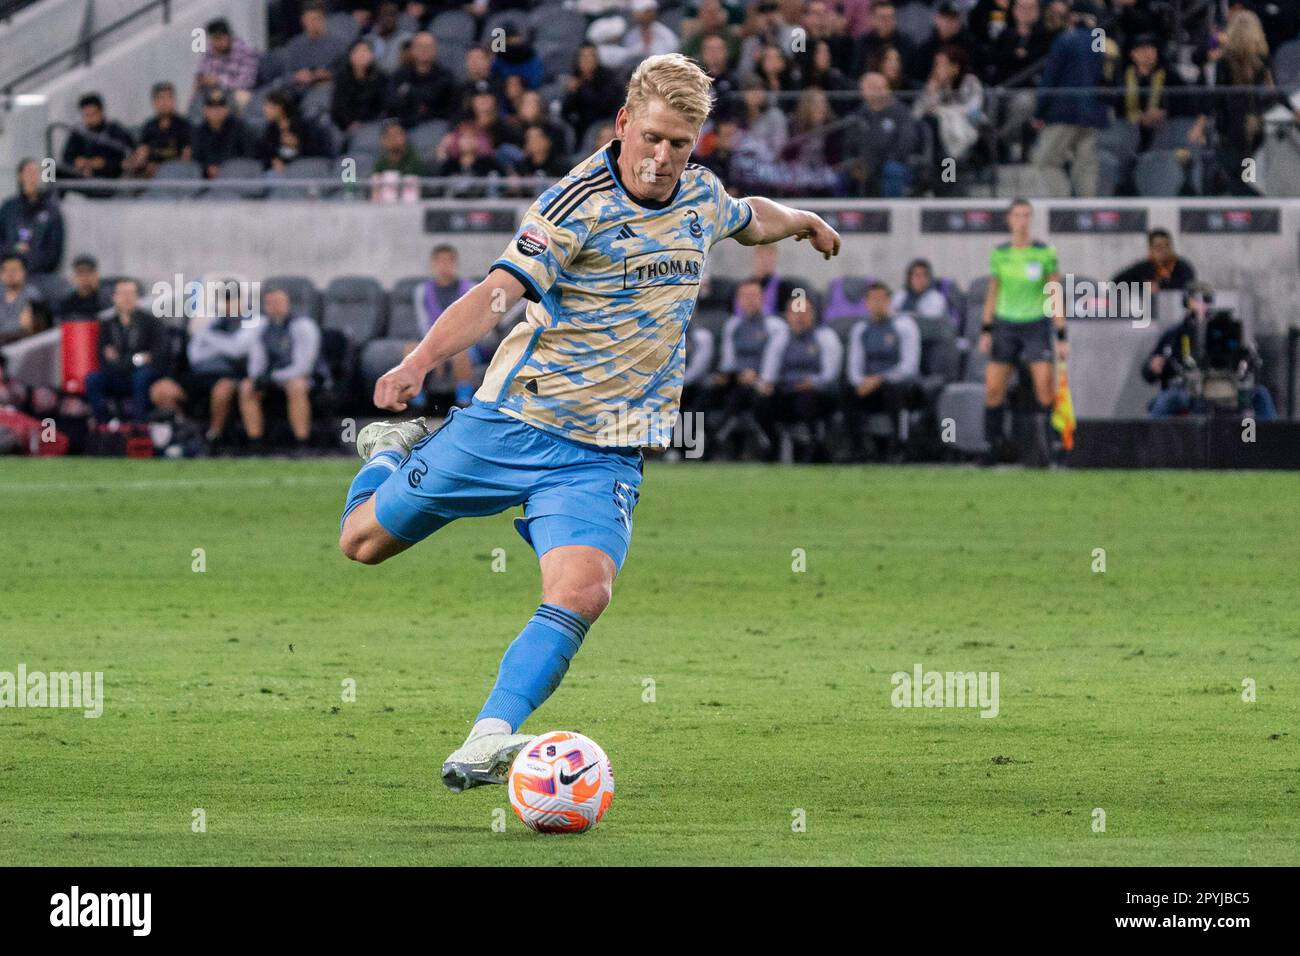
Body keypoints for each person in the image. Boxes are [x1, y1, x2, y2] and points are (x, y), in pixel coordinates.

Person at [337, 53, 841, 792]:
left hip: (605, 449)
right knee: (363, 544)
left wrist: (804, 221)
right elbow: (498, 293)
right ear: (623, 125)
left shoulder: (699, 195)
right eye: (654, 139)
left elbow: (745, 216)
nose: (664, 158)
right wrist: (420, 362)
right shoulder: (575, 203)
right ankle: (387, 451)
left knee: (583, 591)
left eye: (681, 144)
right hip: (513, 420)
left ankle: (488, 737)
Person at [980, 199, 1067, 465]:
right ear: (1009, 219)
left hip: (1036, 324)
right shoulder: (1000, 253)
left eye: (1027, 215)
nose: (1022, 220)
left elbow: (1054, 291)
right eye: (1017, 215)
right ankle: (993, 448)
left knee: (1044, 388)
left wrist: (1061, 333)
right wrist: (986, 329)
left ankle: (1054, 448)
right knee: (994, 389)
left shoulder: (1044, 252)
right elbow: (994, 291)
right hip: (1006, 325)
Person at [1142, 281, 1276, 420]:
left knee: (1260, 394)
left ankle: (1271, 439)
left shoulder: (1227, 328)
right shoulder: (1177, 334)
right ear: (1187, 302)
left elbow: (1248, 360)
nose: (1202, 305)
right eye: (1197, 300)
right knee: (1166, 401)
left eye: (1206, 300)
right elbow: (1151, 371)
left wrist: (1243, 359)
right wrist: (1155, 367)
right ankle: (1150, 440)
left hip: (1227, 382)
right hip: (1190, 387)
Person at [1032, 0, 1108, 197]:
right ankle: (1087, 210)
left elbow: (1050, 79)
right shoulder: (1100, 41)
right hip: (1094, 112)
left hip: (1064, 110)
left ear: (1073, 16)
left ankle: (1062, 207)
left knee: (1045, 161)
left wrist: (1039, 111)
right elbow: (1107, 78)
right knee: (1086, 165)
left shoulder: (1066, 39)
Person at [709, 276, 788, 458]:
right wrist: (730, 375)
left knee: (756, 398)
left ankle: (768, 448)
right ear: (738, 300)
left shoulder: (775, 326)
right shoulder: (733, 325)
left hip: (766, 384)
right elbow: (728, 360)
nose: (749, 300)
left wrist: (760, 379)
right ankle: (697, 447)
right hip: (738, 380)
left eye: (753, 295)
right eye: (745, 296)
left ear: (762, 298)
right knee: (707, 393)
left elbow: (773, 359)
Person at [238, 287, 321, 454]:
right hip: (273, 377)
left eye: (278, 302)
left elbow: (304, 366)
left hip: (304, 377)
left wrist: (274, 377)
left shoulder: (302, 326)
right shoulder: (261, 327)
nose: (274, 306)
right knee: (247, 386)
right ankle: (256, 443)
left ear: (287, 303)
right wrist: (258, 378)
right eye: (270, 303)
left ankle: (301, 442)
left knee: (296, 386)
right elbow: (257, 360)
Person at [846, 281, 922, 460]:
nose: (877, 303)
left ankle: (898, 448)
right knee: (847, 392)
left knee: (894, 390)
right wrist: (860, 383)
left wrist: (879, 379)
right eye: (873, 299)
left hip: (899, 385)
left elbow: (909, 366)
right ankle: (858, 449)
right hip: (869, 387)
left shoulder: (905, 326)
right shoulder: (861, 329)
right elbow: (854, 367)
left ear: (890, 301)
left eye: (881, 299)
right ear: (866, 303)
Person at [84, 279, 178, 422]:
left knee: (140, 376)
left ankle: (140, 424)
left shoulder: (150, 322)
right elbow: (103, 355)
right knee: (93, 379)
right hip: (118, 373)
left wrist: (125, 359)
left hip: (143, 374)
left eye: (131, 293)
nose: (127, 298)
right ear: (114, 297)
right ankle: (105, 423)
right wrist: (135, 359)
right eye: (123, 293)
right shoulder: (107, 325)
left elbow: (158, 352)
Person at [767, 293, 843, 462]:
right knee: (762, 400)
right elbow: (769, 372)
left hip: (817, 391)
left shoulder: (825, 336)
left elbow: (830, 373)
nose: (799, 317)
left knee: (807, 400)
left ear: (813, 314)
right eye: (795, 312)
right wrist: (766, 384)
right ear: (787, 315)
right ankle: (772, 446)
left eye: (804, 312)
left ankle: (813, 447)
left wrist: (813, 382)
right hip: (787, 389)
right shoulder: (780, 339)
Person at [185, 287, 257, 449]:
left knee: (222, 389)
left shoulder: (253, 321)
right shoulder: (212, 322)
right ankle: (185, 434)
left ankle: (213, 437)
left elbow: (237, 349)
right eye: (226, 300)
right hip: (201, 373)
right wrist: (224, 343)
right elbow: (195, 355)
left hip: (233, 374)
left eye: (234, 299)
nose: (230, 304)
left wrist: (210, 340)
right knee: (167, 391)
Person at [407, 244, 478, 407]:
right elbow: (423, 325)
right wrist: (434, 349)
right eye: (440, 261)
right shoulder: (422, 290)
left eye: (449, 261)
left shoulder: (472, 289)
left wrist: (442, 350)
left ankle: (464, 402)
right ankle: (417, 403)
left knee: (459, 353)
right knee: (409, 349)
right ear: (433, 264)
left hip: (464, 344)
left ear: (455, 263)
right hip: (433, 341)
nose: (444, 266)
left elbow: (473, 326)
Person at [0, 158, 64, 277]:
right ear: (20, 176)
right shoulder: (8, 208)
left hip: (40, 275)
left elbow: (54, 251)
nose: (32, 177)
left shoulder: (51, 210)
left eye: (36, 172)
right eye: (28, 172)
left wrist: (31, 263)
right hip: (9, 273)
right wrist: (13, 254)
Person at [385, 31, 459, 127]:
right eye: (420, 46)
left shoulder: (446, 76)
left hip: (435, 128)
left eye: (428, 46)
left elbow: (445, 106)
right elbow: (391, 102)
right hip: (402, 126)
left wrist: (408, 93)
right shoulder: (399, 75)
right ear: (412, 49)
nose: (424, 50)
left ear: (435, 50)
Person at [124, 82, 192, 178]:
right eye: (160, 98)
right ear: (154, 102)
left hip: (175, 177)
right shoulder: (149, 126)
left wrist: (162, 169)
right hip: (151, 177)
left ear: (174, 100)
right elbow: (142, 153)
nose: (165, 102)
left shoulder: (184, 126)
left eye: (169, 97)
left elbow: (186, 159)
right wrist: (136, 163)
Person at [61, 93, 135, 182]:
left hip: (108, 180)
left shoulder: (114, 131)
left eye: (93, 114)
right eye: (86, 115)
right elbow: (67, 157)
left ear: (101, 112)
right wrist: (77, 162)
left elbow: (127, 155)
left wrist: (104, 163)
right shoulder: (79, 133)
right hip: (83, 177)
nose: (90, 118)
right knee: (50, 170)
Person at [195, 18, 260, 110]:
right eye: (213, 39)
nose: (216, 43)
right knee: (199, 94)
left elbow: (247, 82)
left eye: (219, 38)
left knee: (241, 97)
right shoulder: (211, 50)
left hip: (238, 93)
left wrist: (219, 80)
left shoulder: (245, 52)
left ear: (228, 36)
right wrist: (202, 79)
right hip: (215, 91)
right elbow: (203, 70)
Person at [1111, 228, 1196, 295]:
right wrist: (1144, 287)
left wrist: (1160, 286)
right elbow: (1116, 283)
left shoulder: (1182, 266)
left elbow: (1188, 285)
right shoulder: (1142, 267)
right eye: (1159, 247)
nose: (1164, 250)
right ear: (1150, 250)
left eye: (1167, 246)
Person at [192, 87, 254, 178]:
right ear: (205, 110)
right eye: (211, 107)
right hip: (206, 179)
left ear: (227, 109)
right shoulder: (199, 131)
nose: (216, 111)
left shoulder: (240, 128)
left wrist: (225, 169)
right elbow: (196, 157)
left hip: (235, 178)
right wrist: (207, 168)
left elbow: (248, 155)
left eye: (220, 107)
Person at [332, 38, 388, 135]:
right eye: (358, 51)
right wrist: (349, 123)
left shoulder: (381, 78)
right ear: (350, 55)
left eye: (366, 51)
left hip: (373, 124)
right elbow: (338, 106)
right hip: (345, 126)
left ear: (372, 55)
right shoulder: (342, 78)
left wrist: (365, 123)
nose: (362, 54)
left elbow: (383, 105)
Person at [0, 253, 44, 345]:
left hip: (19, 345)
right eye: (5, 270)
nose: (9, 274)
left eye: (14, 270)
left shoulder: (31, 294)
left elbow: (27, 328)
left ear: (24, 271)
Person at [57, 254, 109, 322]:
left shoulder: (106, 300)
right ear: (74, 277)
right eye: (80, 273)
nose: (85, 277)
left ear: (96, 275)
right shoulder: (67, 303)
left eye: (89, 272)